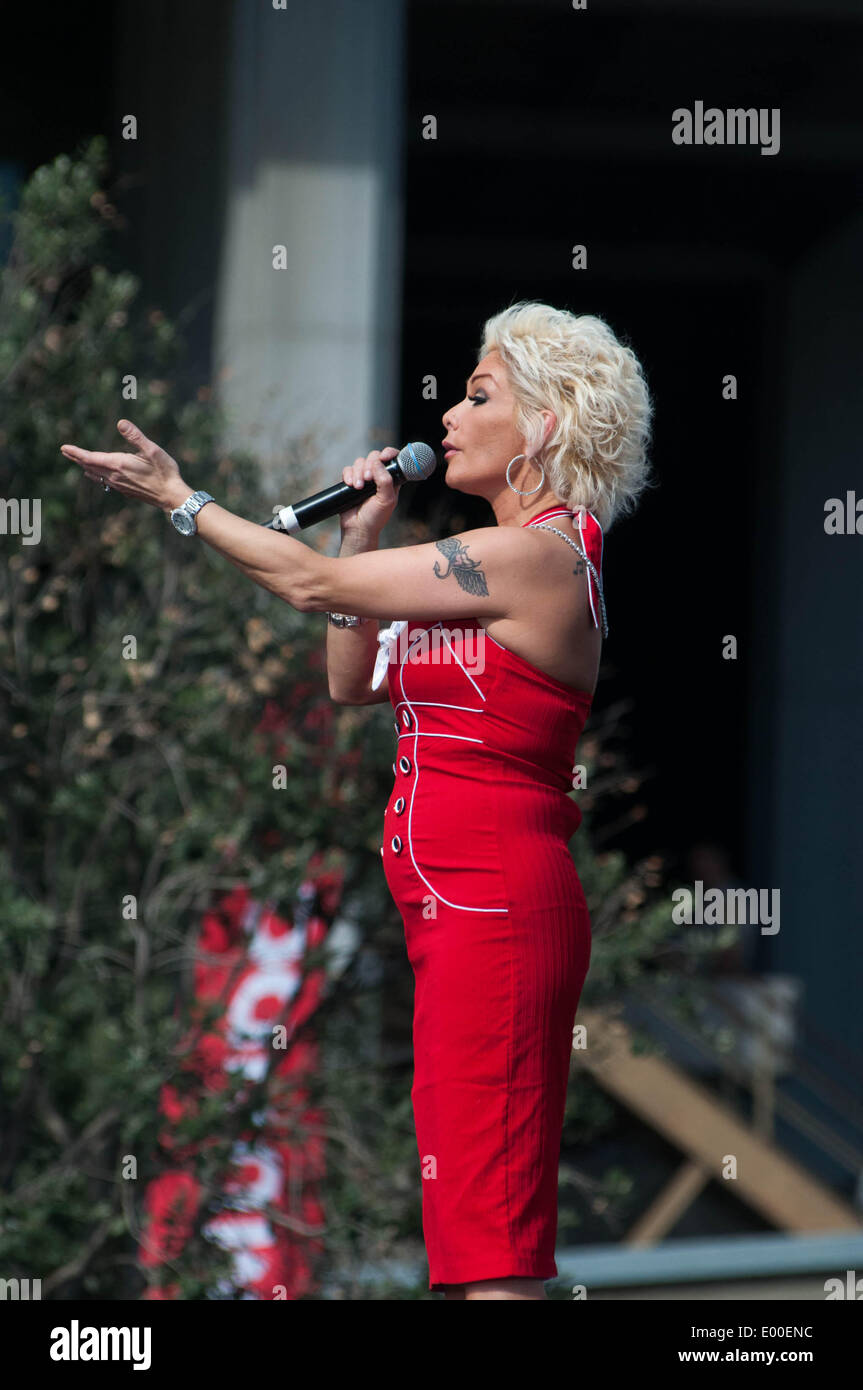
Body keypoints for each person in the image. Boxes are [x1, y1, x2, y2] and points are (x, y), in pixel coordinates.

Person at [61, 300, 653, 1301]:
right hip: (456, 913)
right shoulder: (491, 561)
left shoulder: (537, 556)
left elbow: (294, 585)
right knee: (470, 1221)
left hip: (496, 910)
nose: (449, 417)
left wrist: (180, 497)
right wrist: (362, 533)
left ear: (544, 425)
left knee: (490, 1234)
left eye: (478, 395)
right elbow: (352, 677)